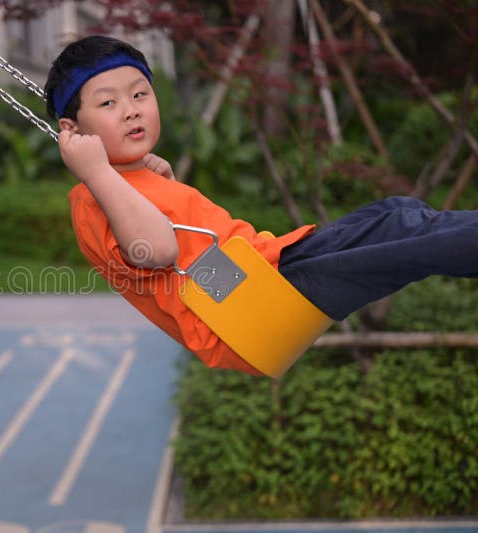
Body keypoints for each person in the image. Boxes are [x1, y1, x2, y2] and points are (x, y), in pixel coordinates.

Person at [44, 35, 478, 376]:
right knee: (401, 232)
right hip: (246, 313)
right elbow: (157, 252)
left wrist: (161, 183)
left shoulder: (127, 182)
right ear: (72, 130)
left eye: (140, 94)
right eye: (108, 102)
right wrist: (99, 173)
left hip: (258, 276)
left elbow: (188, 244)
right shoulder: (96, 197)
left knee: (395, 213)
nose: (130, 111)